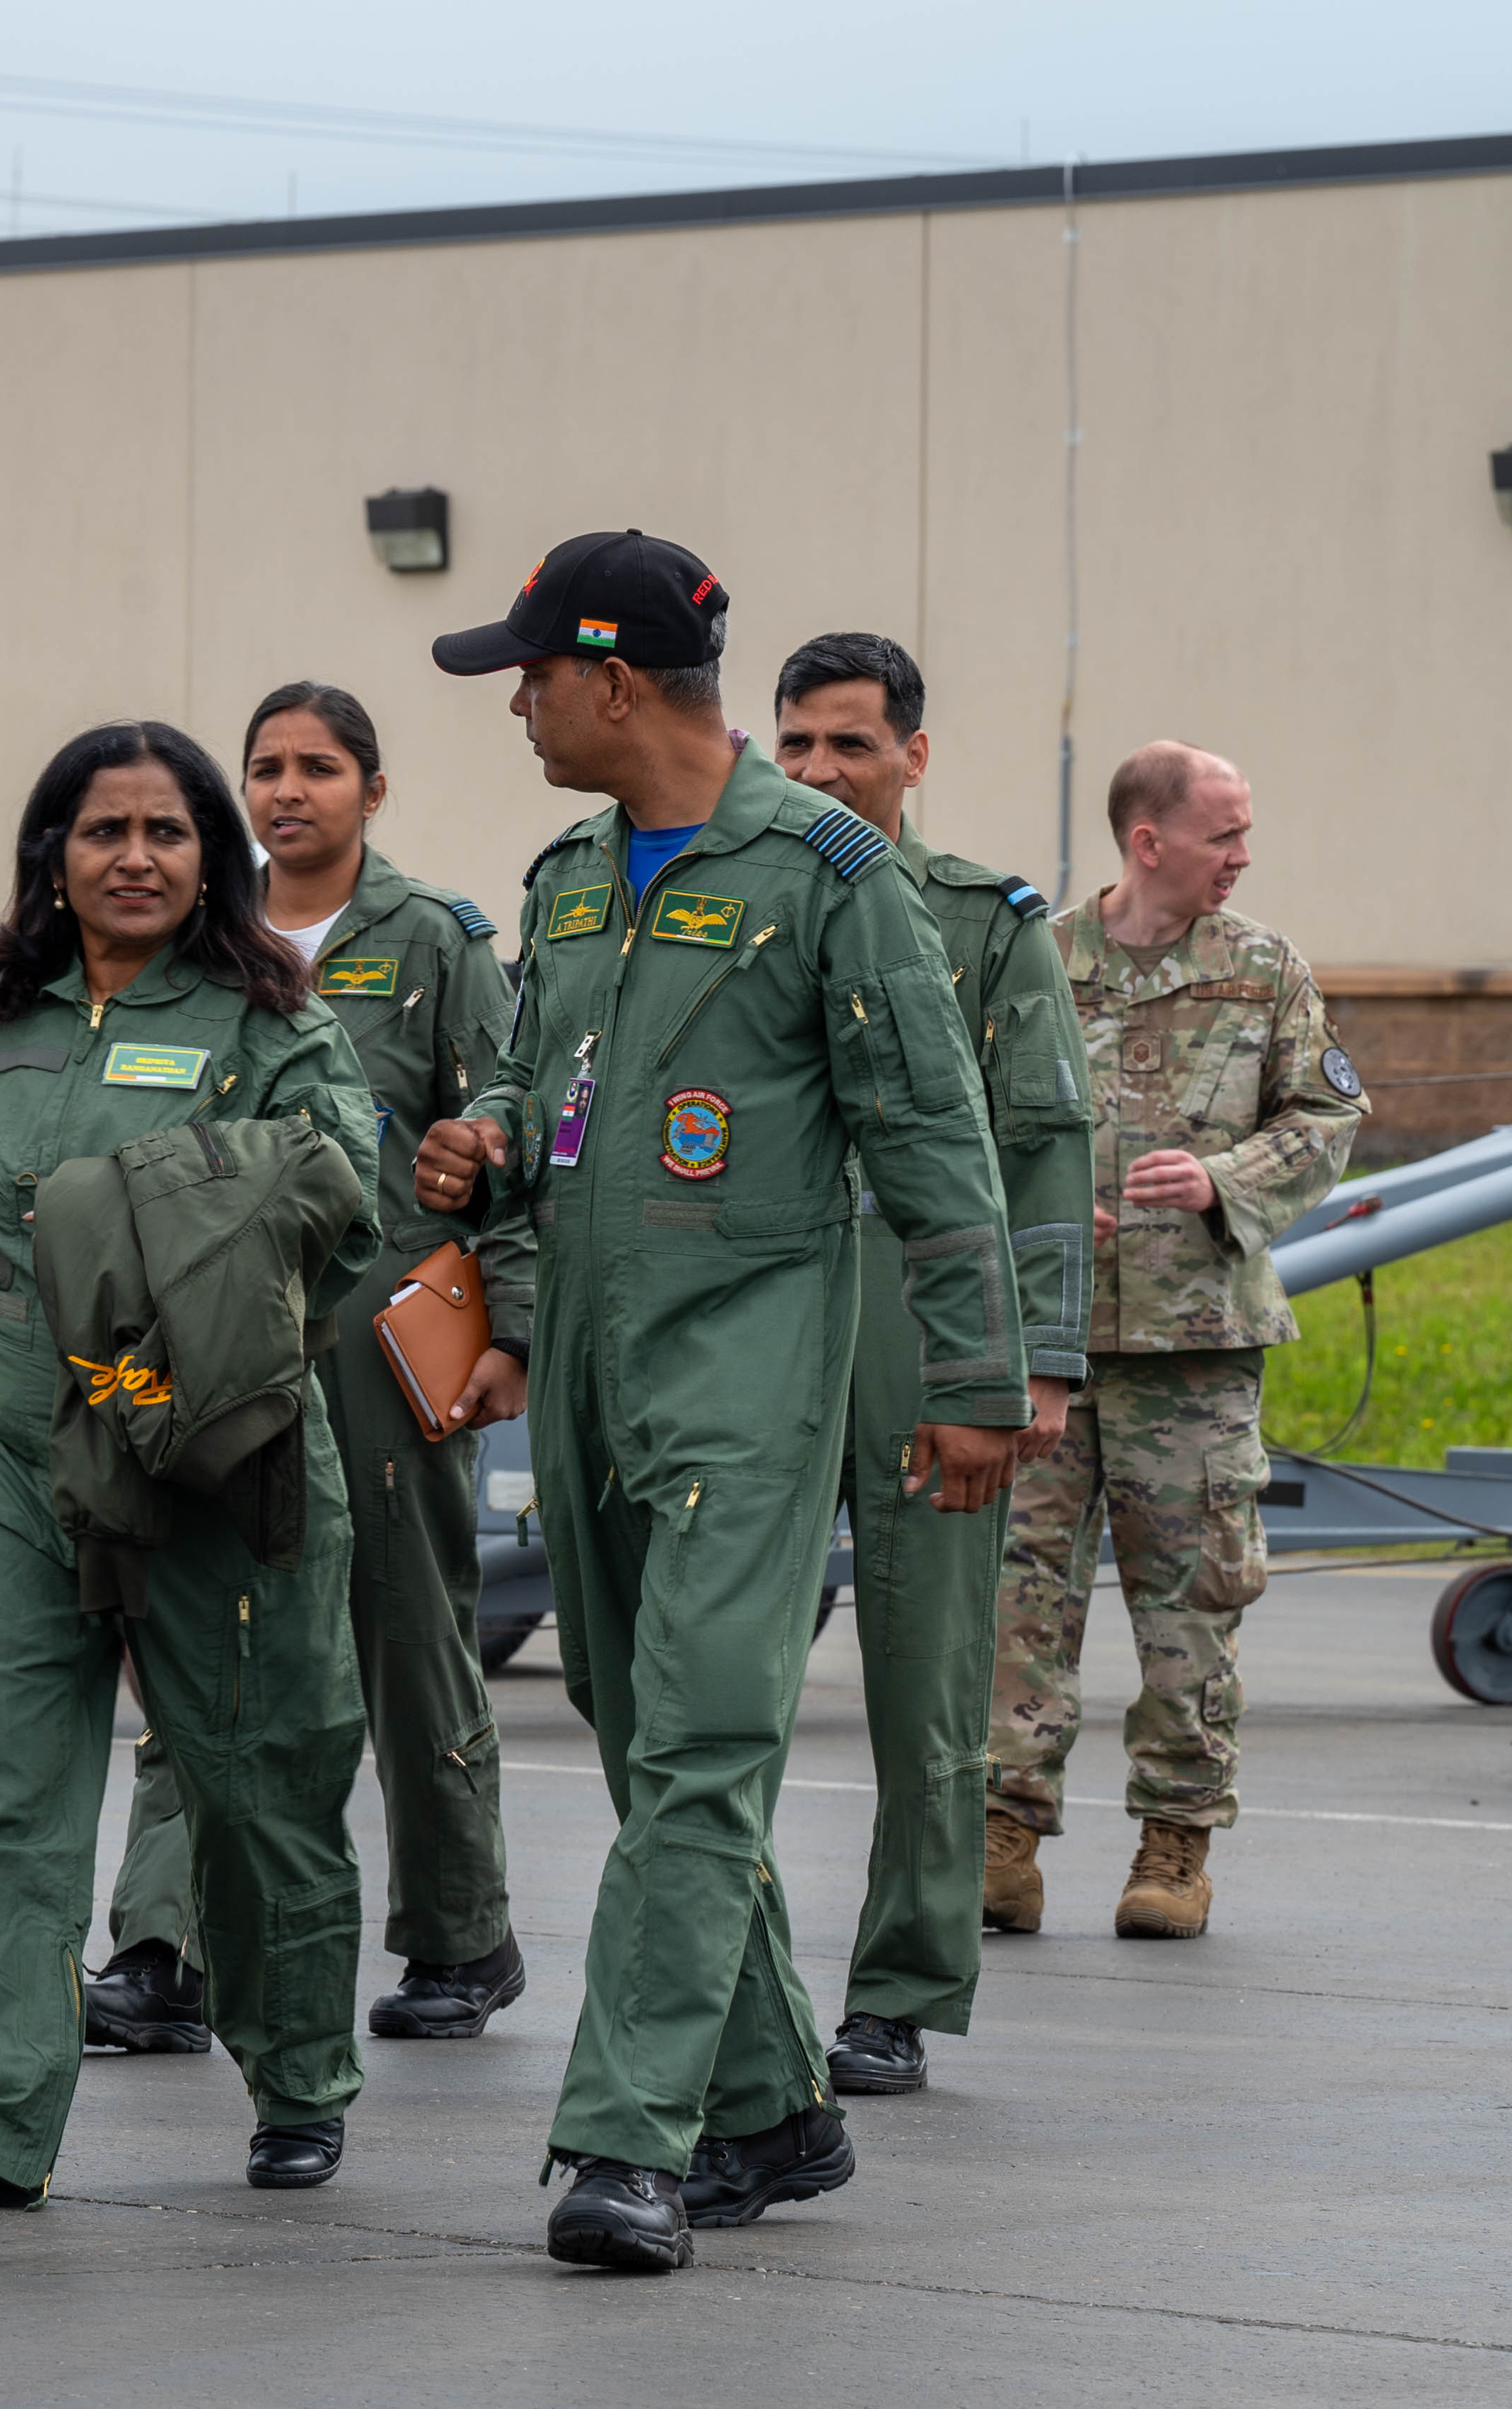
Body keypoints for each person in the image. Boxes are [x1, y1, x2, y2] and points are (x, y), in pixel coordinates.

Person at [413, 530, 1027, 2270]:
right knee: (632, 1726)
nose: (516, 708)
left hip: (745, 1376)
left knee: (696, 1747)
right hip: (590, 1367)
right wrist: (486, 1139)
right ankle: (773, 2108)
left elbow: (935, 1140)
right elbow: (542, 1076)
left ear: (612, 681)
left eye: (530, 677)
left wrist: (978, 1379)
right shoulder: (567, 876)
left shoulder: (829, 876)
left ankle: (632, 2142)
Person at [0, 719, 383, 2210]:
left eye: (166, 831)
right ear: (53, 855)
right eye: (104, 831)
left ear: (211, 856)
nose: (135, 858)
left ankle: (299, 2079)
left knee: (259, 1781)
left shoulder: (271, 1020)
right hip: (5, 1430)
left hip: (207, 1432)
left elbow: (347, 1217)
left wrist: (166, 1226)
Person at [83, 683, 534, 2058]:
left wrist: (511, 1327)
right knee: (204, 1637)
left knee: (409, 1634)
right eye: (268, 767)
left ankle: (462, 1933)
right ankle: (165, 1947)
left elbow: (504, 1137)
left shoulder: (436, 941)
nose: (289, 790)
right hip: (220, 1352)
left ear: (372, 791)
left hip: (383, 1345)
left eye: (321, 767)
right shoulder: (200, 943)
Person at [770, 635, 1094, 2096]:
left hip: (924, 1326)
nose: (820, 772)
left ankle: (900, 1988)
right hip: (766, 1322)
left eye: (850, 744)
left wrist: (1035, 1364)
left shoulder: (982, 922)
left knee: (928, 1676)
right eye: (796, 745)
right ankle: (725, 1978)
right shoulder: (739, 899)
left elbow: (1044, 1142)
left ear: (913, 755)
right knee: (714, 1676)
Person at [985, 742, 1364, 1941]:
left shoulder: (1264, 970)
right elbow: (967, 1119)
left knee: (1192, 1601)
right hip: (1048, 1335)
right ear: (1148, 842)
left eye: (1244, 831)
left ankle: (1176, 1841)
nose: (1243, 853)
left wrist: (1221, 1179)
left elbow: (1329, 1112)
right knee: (1017, 1594)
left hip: (1195, 1346)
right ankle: (1002, 1831)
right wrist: (1035, 1203)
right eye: (1223, 832)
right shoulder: (1035, 960)